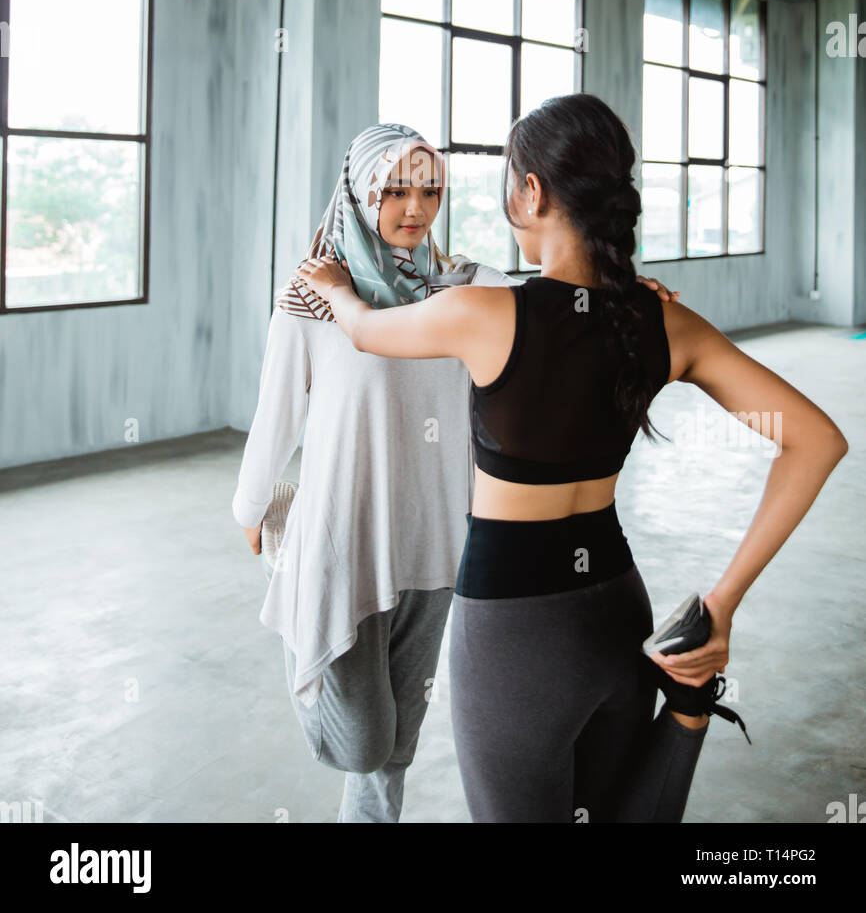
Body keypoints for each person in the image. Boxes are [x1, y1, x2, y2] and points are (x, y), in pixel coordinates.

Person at [298, 94, 849, 824]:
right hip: (617, 611)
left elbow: (366, 329)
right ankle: (684, 713)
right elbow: (817, 439)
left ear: (531, 192)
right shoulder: (661, 319)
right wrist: (721, 606)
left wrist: (333, 287)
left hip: (512, 635)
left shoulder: (484, 314)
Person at [232, 120, 675, 823]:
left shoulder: (470, 286)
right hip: (340, 542)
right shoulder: (316, 296)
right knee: (363, 742)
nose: (416, 208)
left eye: (431, 189)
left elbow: (558, 301)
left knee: (397, 748)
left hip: (439, 547)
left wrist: (624, 290)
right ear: (358, 192)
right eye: (397, 190)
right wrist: (251, 509)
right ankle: (293, 566)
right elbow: (276, 415)